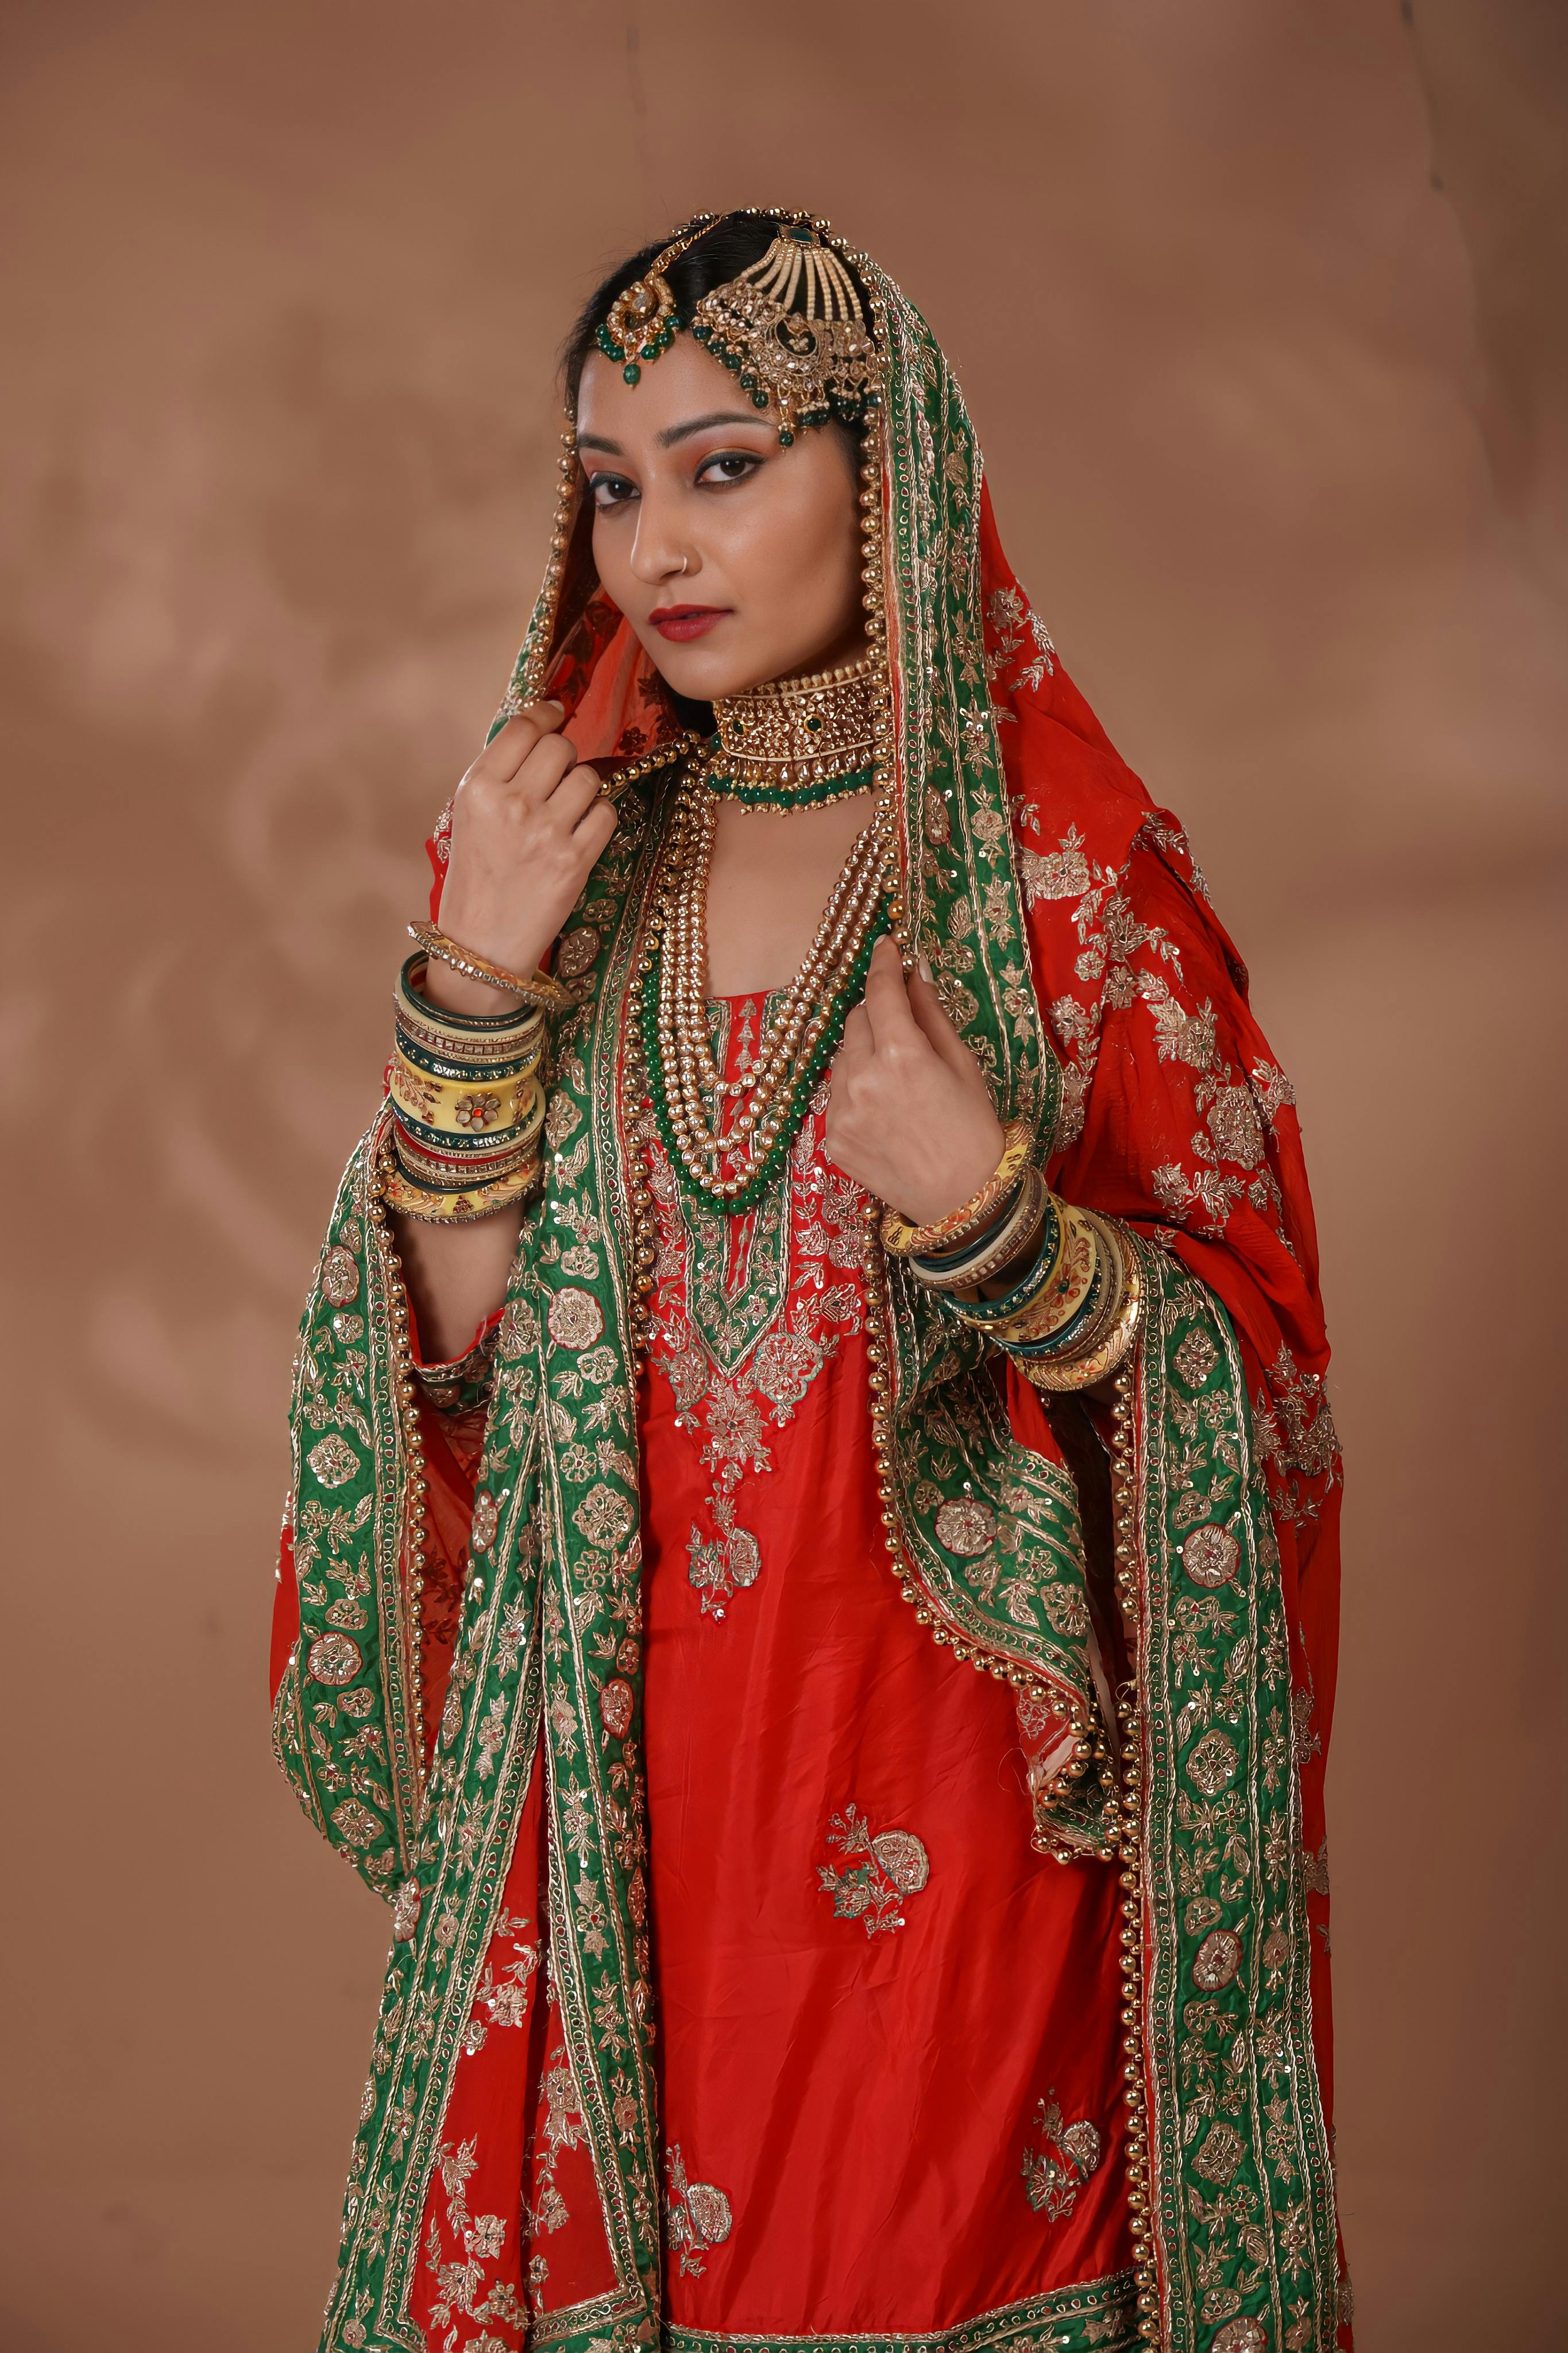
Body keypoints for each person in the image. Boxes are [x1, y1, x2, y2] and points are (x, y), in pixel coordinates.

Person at [272, 209, 1349, 2353]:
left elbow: (1262, 1397)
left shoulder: (1063, 891)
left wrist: (1002, 1233)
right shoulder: (571, 866)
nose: (652, 545)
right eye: (609, 484)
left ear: (896, 471)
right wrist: (473, 991)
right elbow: (450, 1367)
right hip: (622, 1784)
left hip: (953, 1787)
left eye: (723, 464)